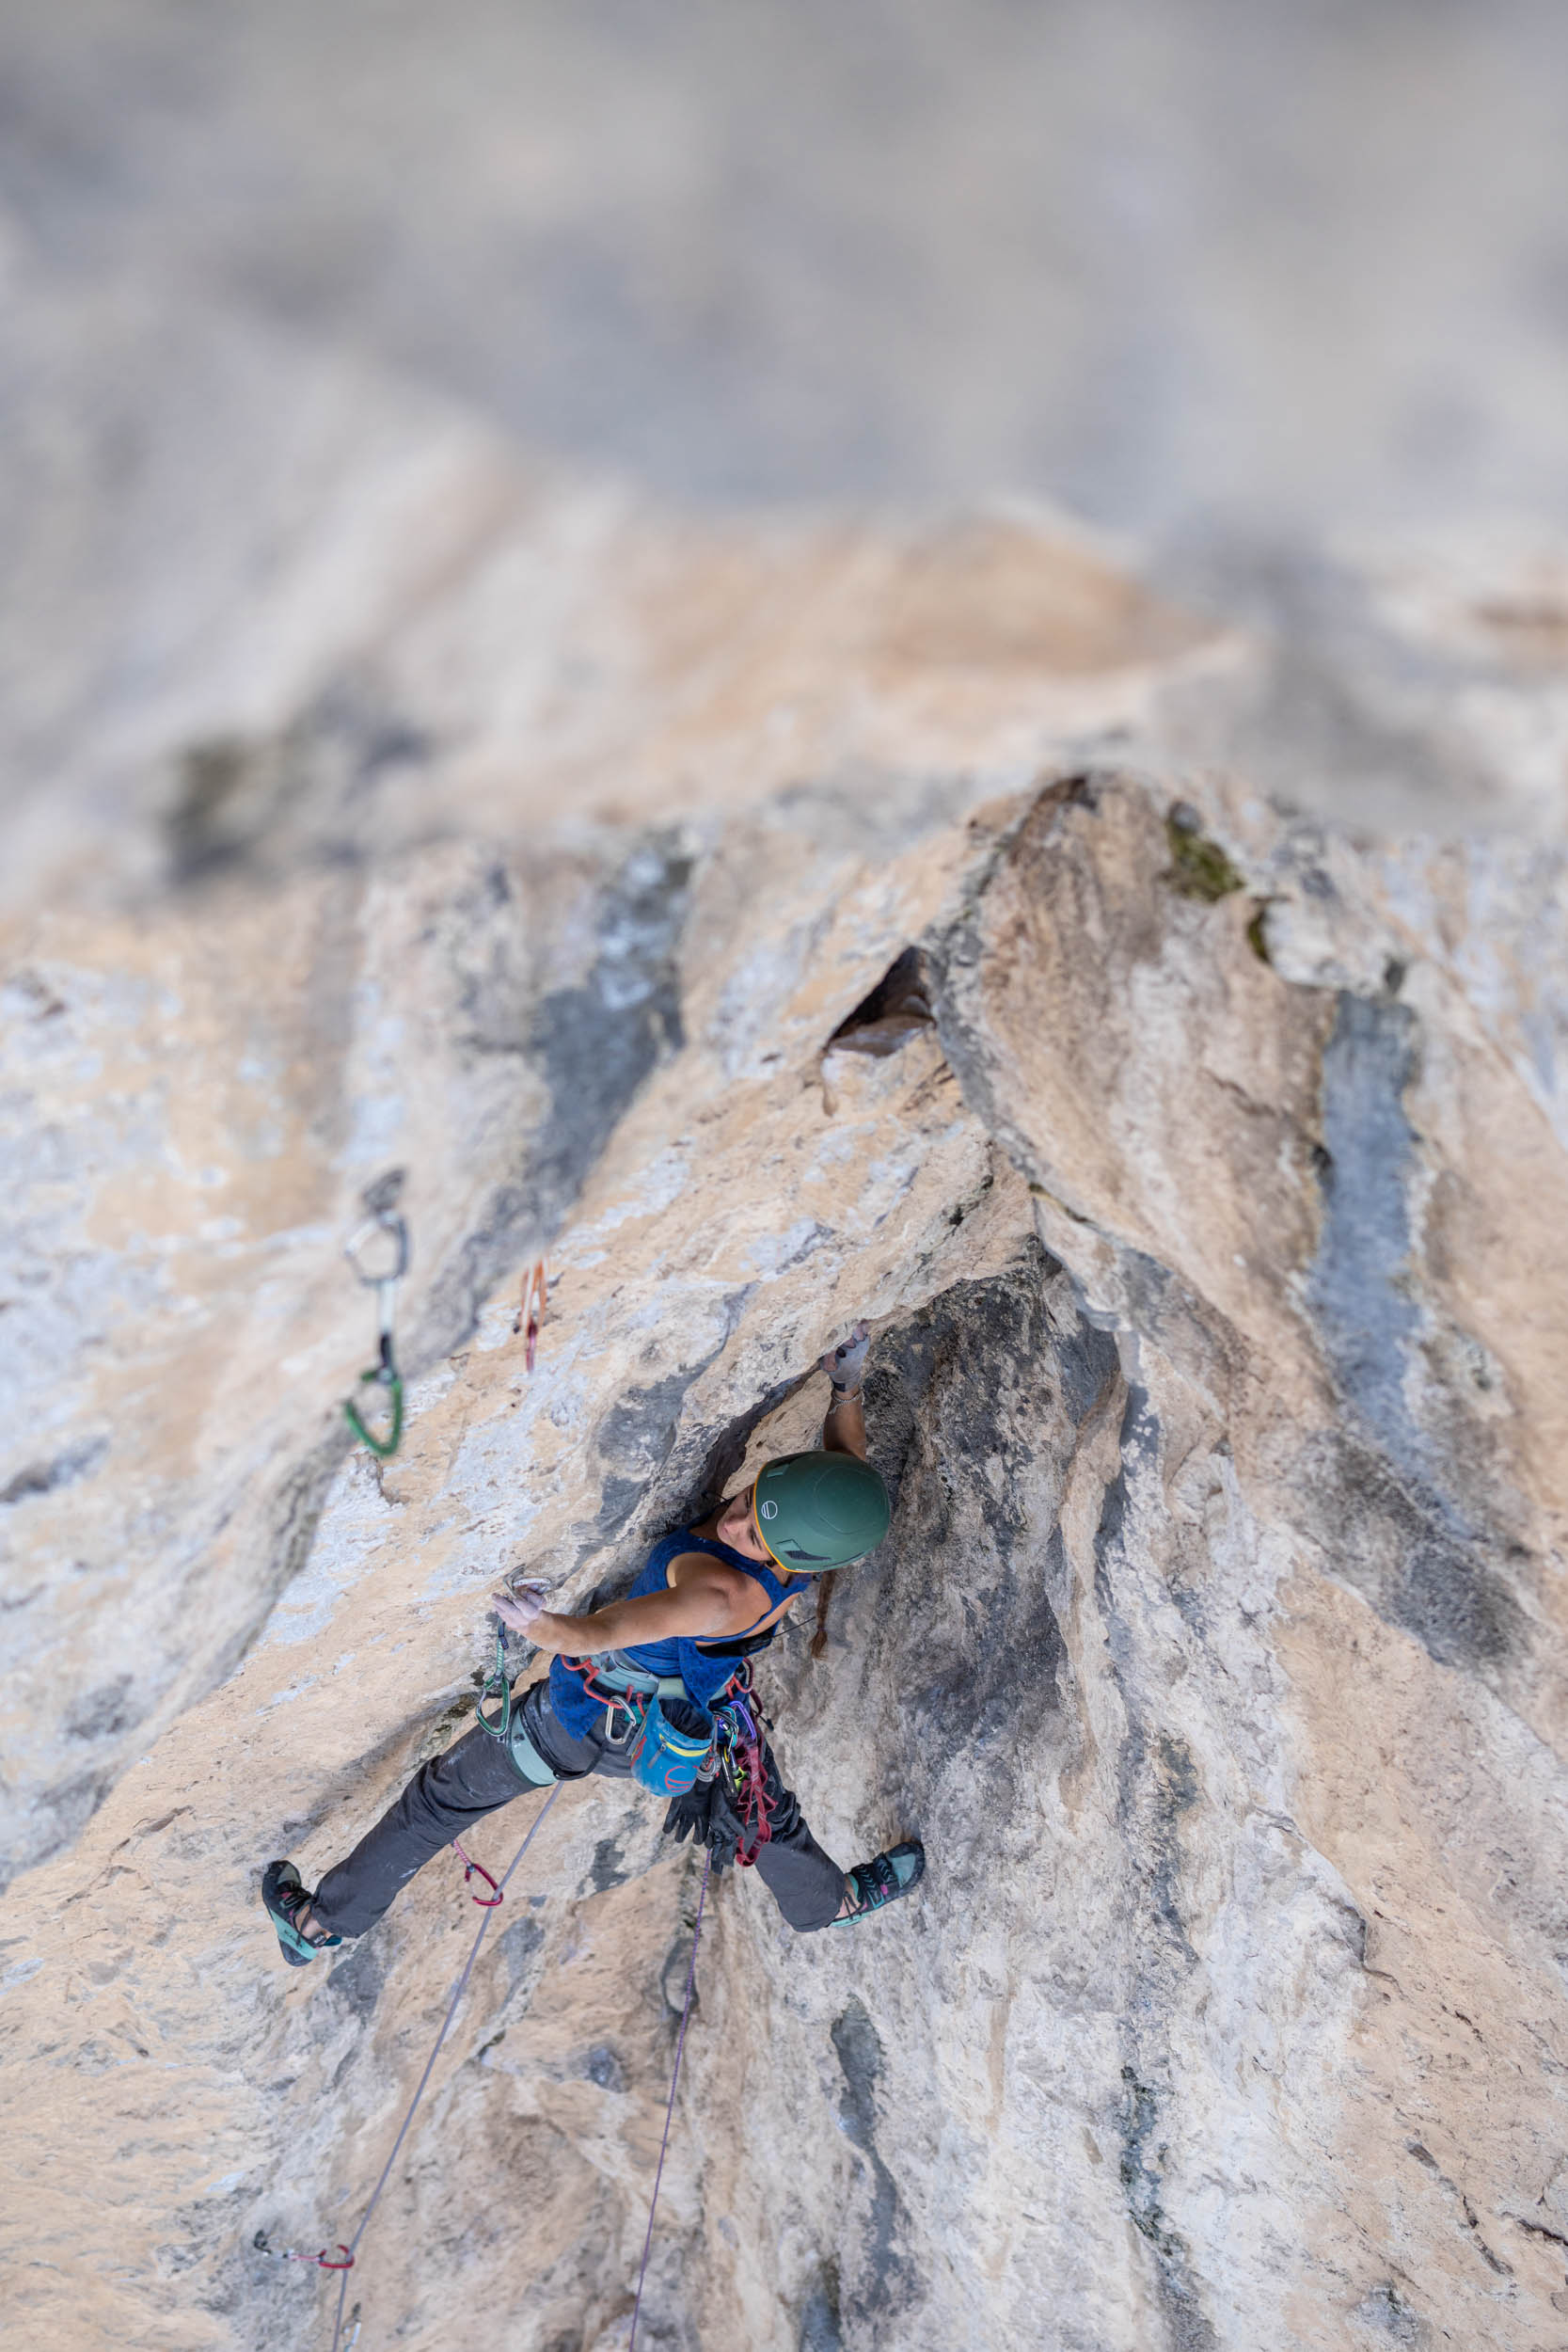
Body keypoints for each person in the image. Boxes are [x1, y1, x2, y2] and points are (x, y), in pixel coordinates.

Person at [261, 1323, 925, 1965]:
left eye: (752, 1532)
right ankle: (826, 1903)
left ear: (794, 1554)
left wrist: (535, 1623)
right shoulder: (810, 1535)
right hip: (703, 1716)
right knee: (759, 1808)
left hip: (586, 1719)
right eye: (751, 1498)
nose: (736, 1519)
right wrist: (845, 1386)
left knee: (442, 1799)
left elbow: (601, 1632)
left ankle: (321, 1925)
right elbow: (840, 1465)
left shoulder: (714, 1593)